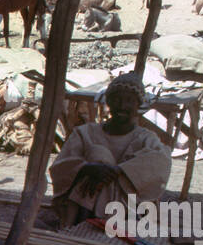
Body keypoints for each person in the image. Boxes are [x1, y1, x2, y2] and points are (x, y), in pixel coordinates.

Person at [49, 73, 172, 227]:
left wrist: (118, 171)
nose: (121, 106)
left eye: (129, 101)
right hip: (85, 199)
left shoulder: (146, 138)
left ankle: (84, 226)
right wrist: (87, 168)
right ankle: (83, 226)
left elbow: (159, 163)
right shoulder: (85, 133)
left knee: (111, 177)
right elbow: (61, 166)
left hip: (125, 205)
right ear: (108, 102)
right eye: (116, 99)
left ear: (138, 105)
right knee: (98, 155)